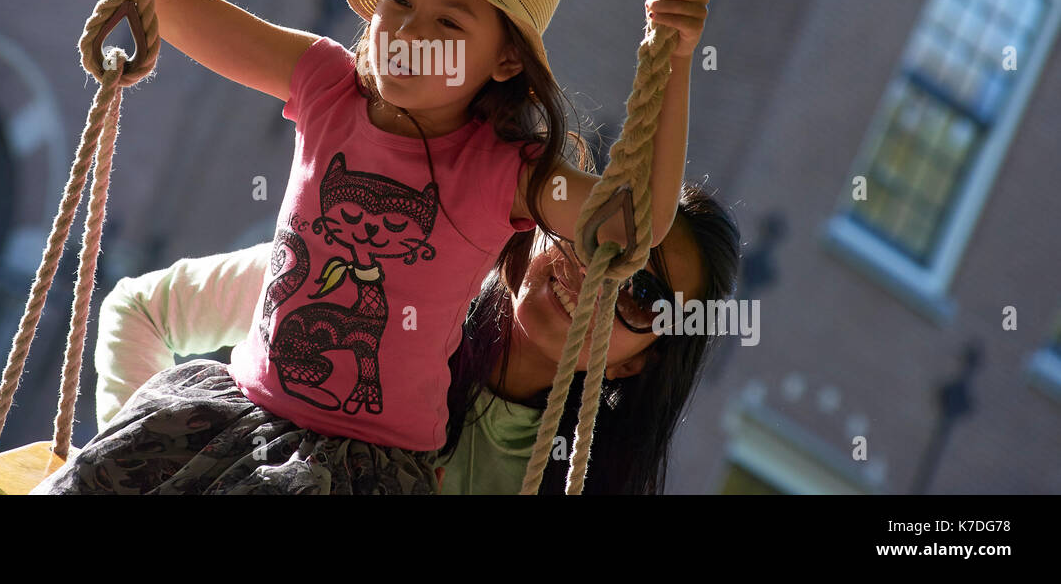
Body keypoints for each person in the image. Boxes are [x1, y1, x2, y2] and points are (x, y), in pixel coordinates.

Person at [32, 0, 711, 494]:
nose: (410, 32)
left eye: (449, 22)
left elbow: (638, 219)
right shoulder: (326, 84)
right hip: (237, 418)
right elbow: (171, 1)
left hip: (363, 473)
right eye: (398, 0)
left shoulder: (501, 171)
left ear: (506, 63)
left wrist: (671, 60)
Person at [92, 181, 740, 494]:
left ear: (640, 363)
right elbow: (144, 308)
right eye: (595, 233)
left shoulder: (568, 482)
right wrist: (142, 457)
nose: (597, 275)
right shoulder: (390, 283)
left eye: (641, 291)